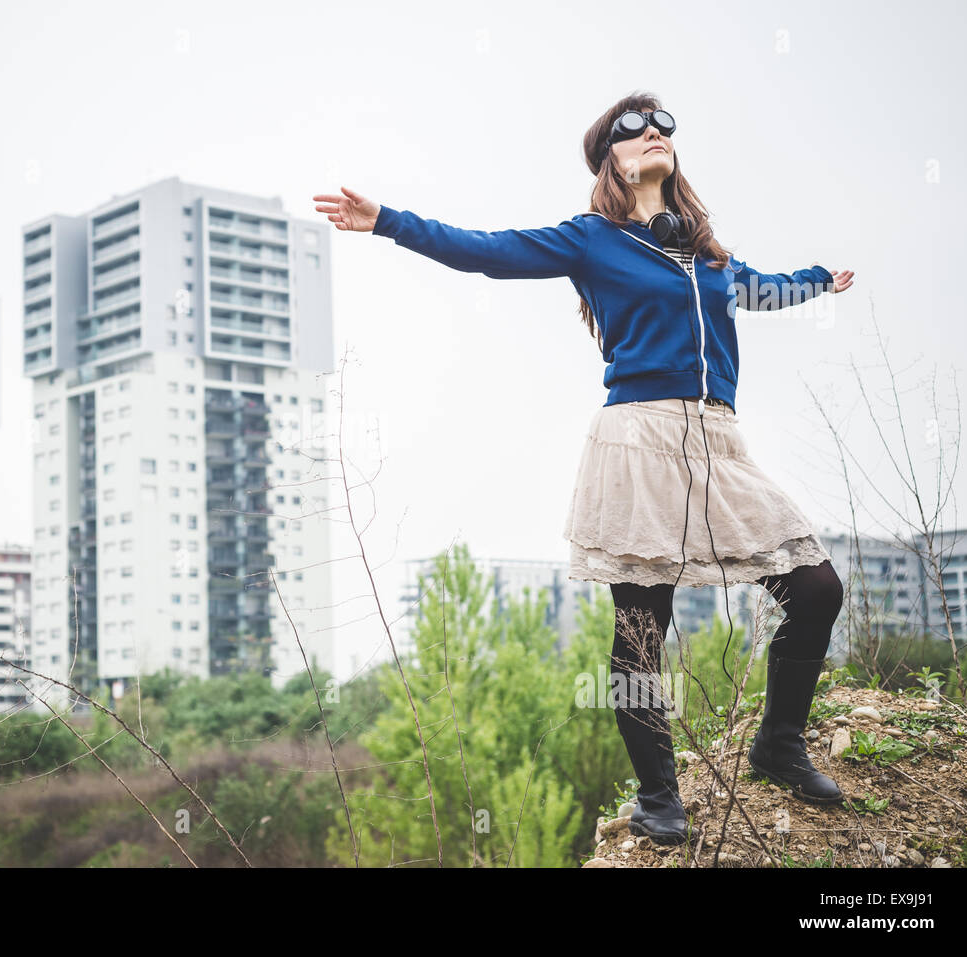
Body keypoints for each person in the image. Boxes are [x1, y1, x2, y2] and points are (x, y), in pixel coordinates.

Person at [312, 92, 857, 847]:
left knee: (817, 587)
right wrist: (390, 222)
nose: (653, 133)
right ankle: (659, 795)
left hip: (719, 442)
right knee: (641, 628)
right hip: (638, 439)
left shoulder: (708, 256)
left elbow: (760, 290)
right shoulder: (591, 239)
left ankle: (778, 744)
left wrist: (819, 278)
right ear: (611, 159)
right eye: (633, 129)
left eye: (664, 124)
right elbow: (489, 250)